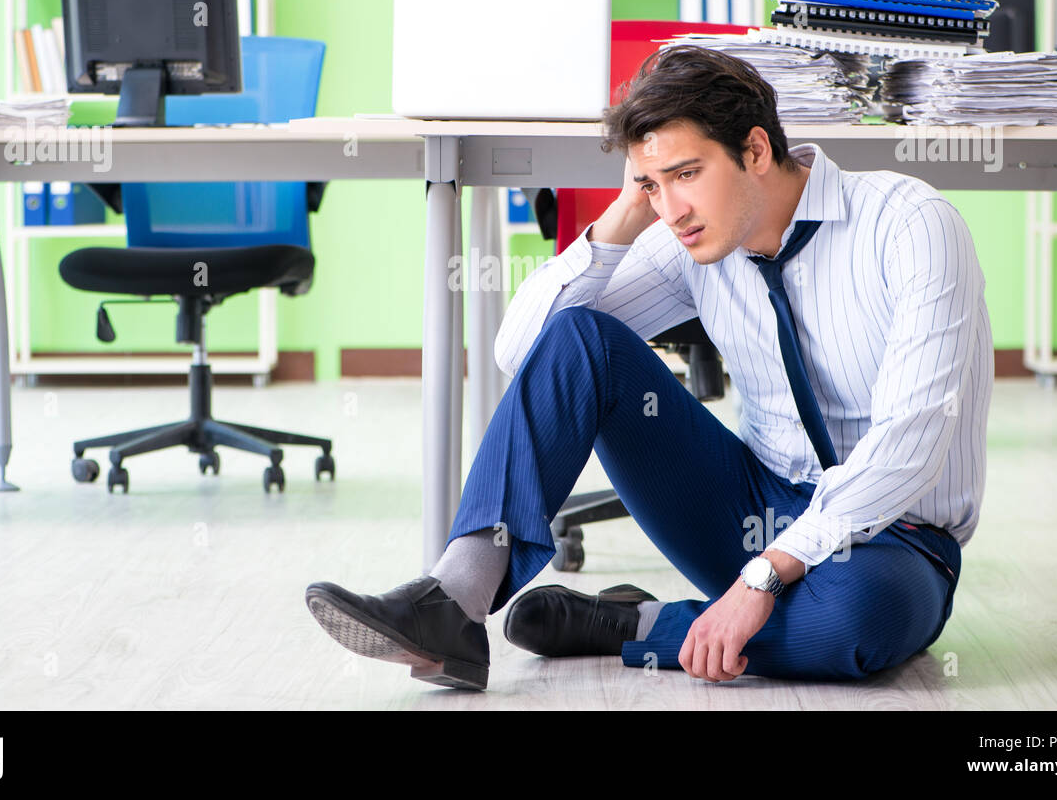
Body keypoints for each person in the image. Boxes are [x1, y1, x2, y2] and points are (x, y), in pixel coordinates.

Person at [305, 44, 992, 690]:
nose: (674, 209)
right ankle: (452, 600)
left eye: (687, 174)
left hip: (896, 538)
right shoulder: (684, 237)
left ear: (755, 148)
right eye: (653, 185)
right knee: (582, 337)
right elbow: (528, 353)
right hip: (751, 507)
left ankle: (641, 622)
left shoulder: (910, 226)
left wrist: (762, 578)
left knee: (851, 623)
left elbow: (911, 442)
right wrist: (626, 214)